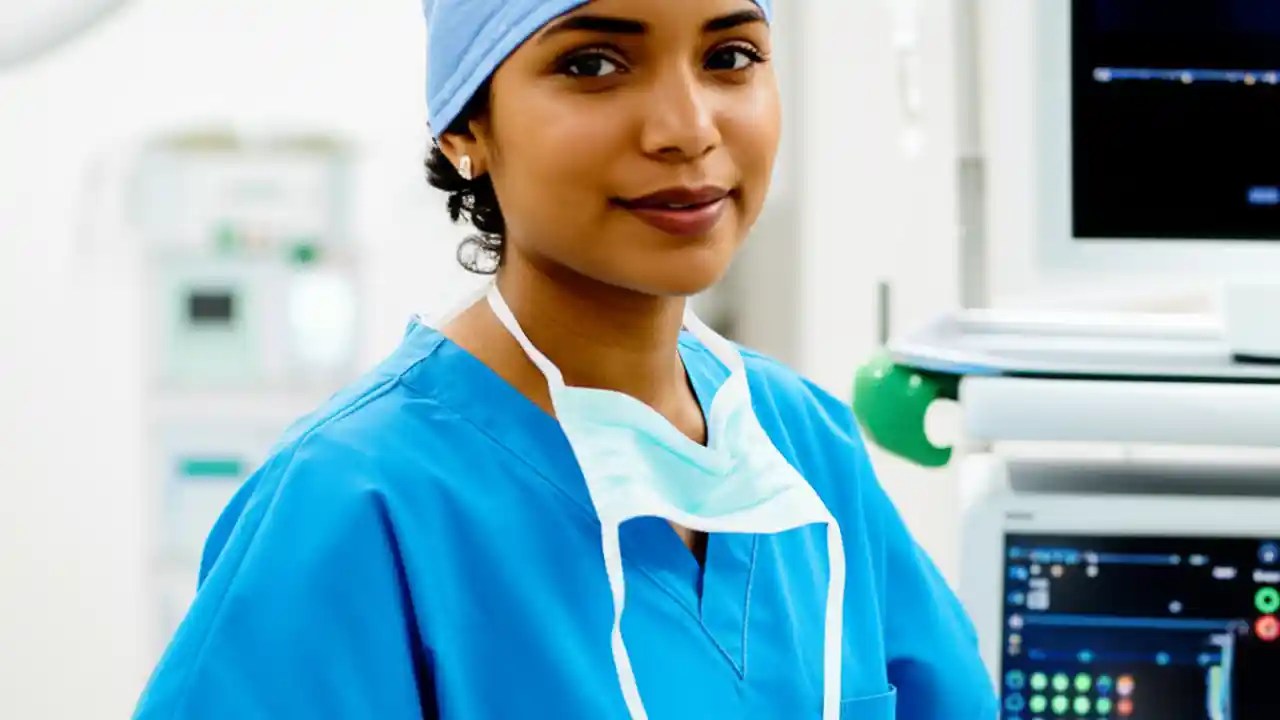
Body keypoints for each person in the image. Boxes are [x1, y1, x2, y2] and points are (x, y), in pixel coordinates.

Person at [133, 0, 997, 718]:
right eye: (594, 65)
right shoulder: (351, 504)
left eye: (730, 55)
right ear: (465, 125)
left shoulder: (806, 449)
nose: (688, 129)